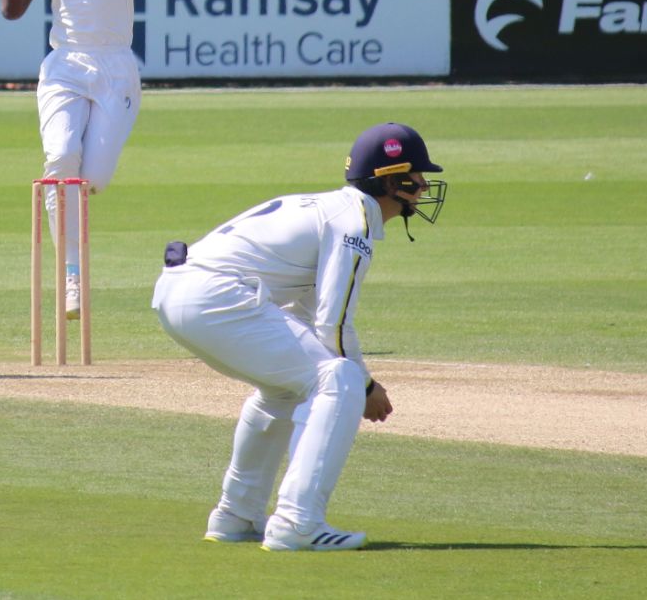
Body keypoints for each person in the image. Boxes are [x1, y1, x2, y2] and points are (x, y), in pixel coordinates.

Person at [152, 123, 447, 552]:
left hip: (181, 291)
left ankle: (237, 516)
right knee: (339, 379)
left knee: (286, 387)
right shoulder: (355, 219)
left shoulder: (330, 209)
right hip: (214, 294)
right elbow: (334, 324)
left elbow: (305, 316)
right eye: (417, 177)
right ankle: (298, 522)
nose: (423, 186)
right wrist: (365, 385)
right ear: (391, 180)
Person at [0, 0, 142, 319]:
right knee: (61, 160)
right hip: (64, 64)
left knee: (91, 179)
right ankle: (71, 273)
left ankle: (73, 260)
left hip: (116, 65)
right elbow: (11, 10)